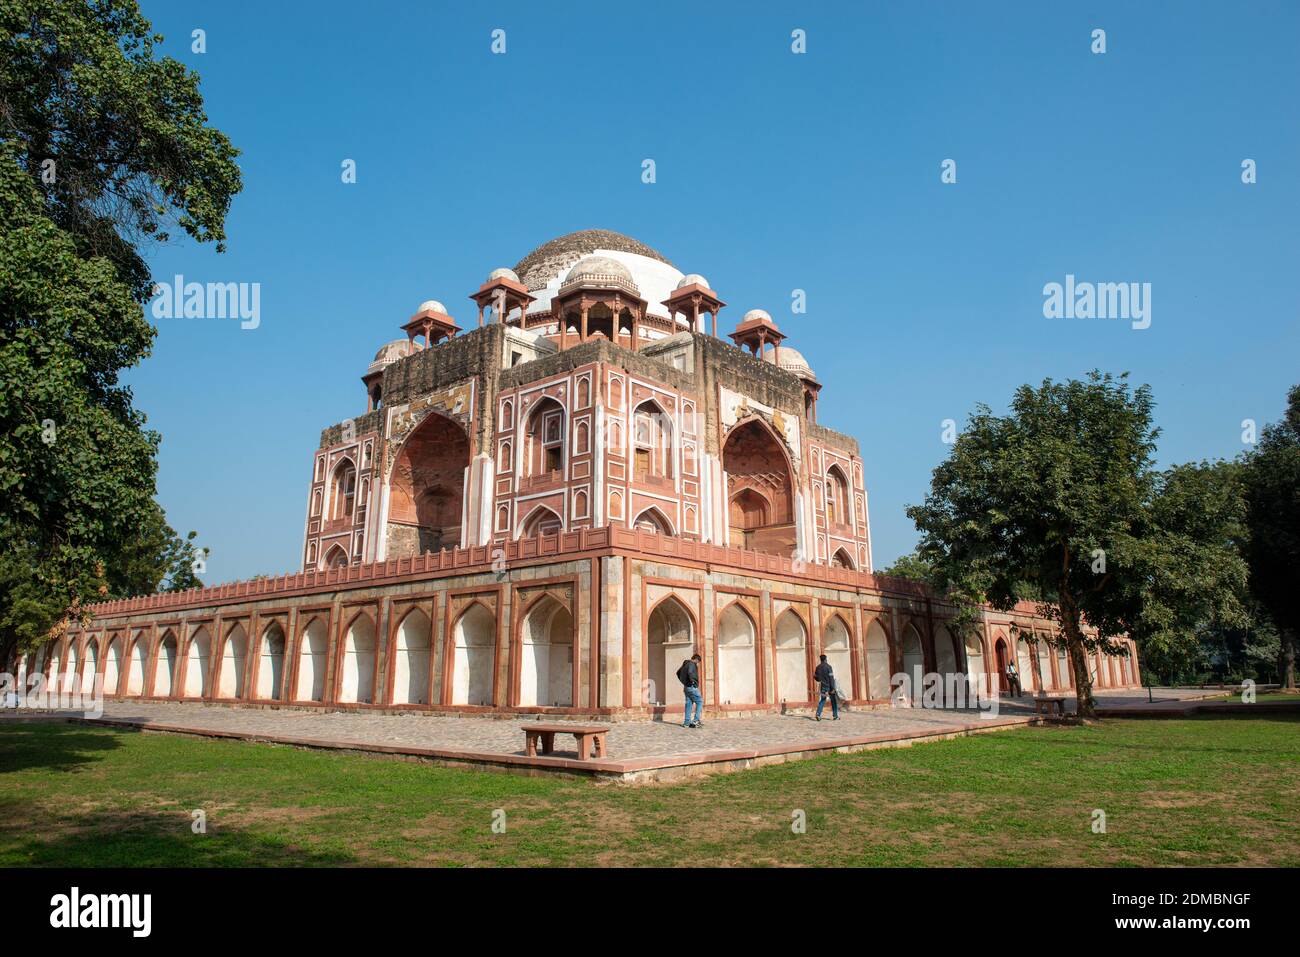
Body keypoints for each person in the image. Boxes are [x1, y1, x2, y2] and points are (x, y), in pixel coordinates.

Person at [676, 653, 703, 728]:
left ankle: (686, 723)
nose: (697, 664)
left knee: (689, 703)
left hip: (686, 687)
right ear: (696, 659)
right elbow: (690, 672)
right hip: (691, 687)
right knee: (700, 701)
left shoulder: (685, 664)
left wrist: (684, 682)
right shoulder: (691, 664)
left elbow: (678, 673)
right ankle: (695, 720)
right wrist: (693, 682)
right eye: (697, 662)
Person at [814, 654, 839, 721]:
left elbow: (817, 678)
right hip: (830, 686)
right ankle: (835, 716)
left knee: (822, 700)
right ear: (825, 659)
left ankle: (818, 714)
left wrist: (817, 678)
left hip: (823, 686)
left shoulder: (818, 667)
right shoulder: (828, 667)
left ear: (820, 659)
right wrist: (833, 688)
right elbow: (831, 678)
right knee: (833, 701)